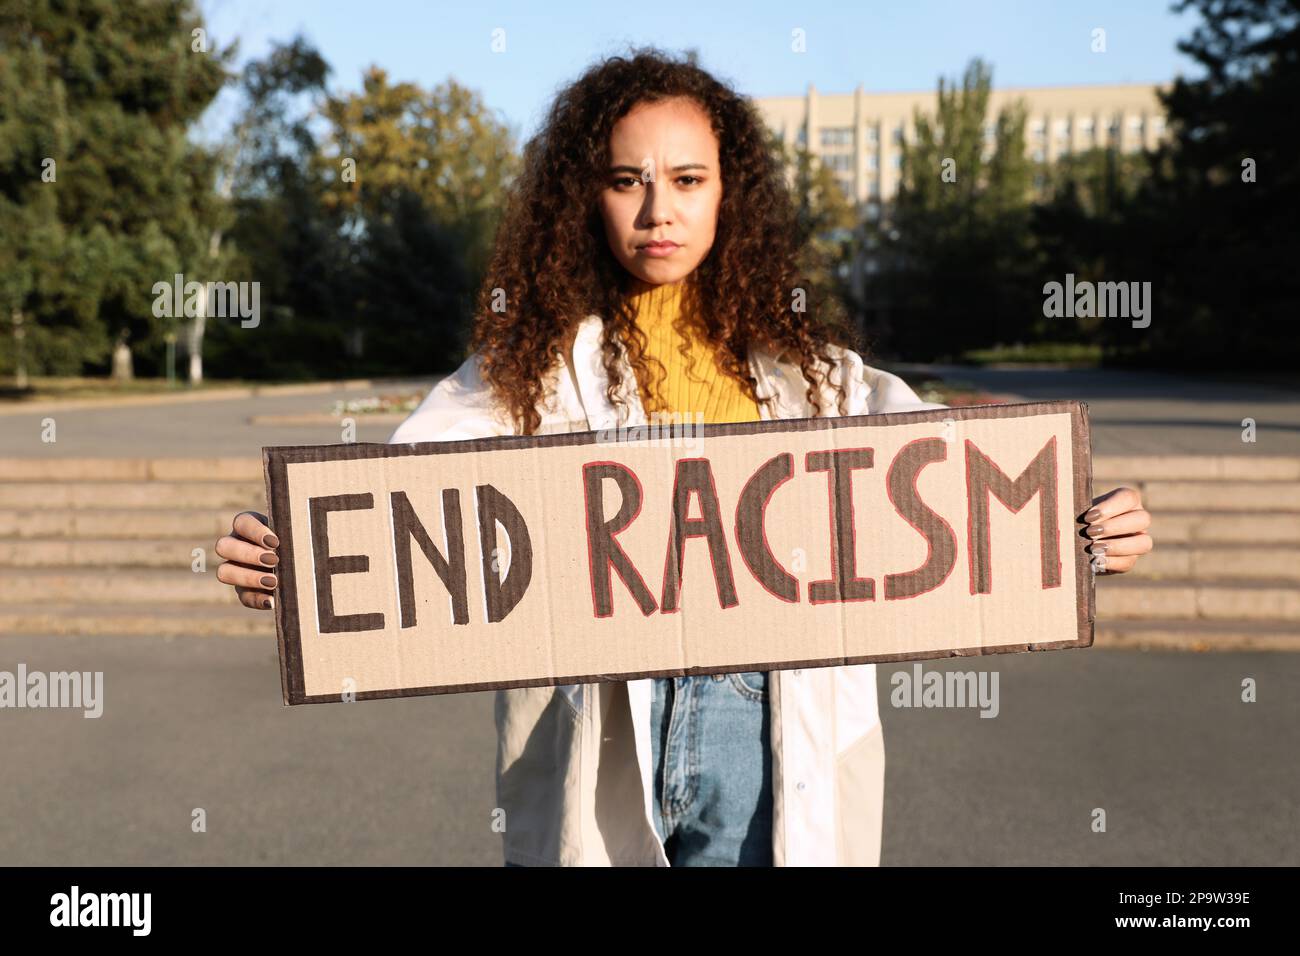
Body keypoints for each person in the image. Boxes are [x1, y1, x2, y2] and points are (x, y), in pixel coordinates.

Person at [214, 48, 1153, 867]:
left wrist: (1078, 534)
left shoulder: (819, 379)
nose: (657, 208)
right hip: (602, 722)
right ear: (585, 196)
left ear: (727, 192)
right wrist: (295, 559)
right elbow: (404, 508)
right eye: (626, 180)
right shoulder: (523, 371)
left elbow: (958, 498)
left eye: (689, 179)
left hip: (767, 723)